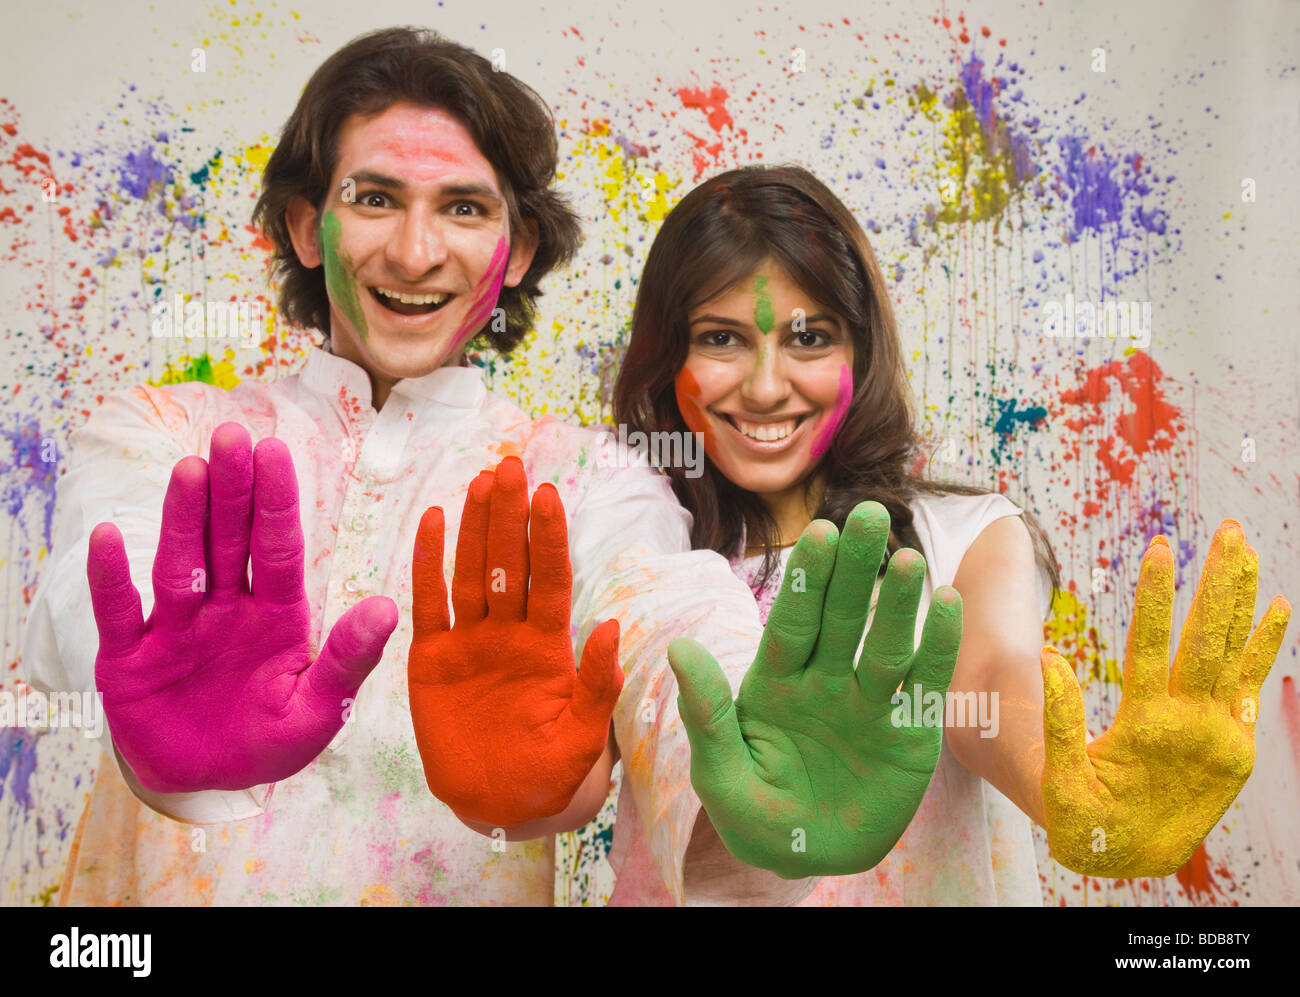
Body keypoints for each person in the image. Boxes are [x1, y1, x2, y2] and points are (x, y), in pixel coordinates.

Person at [21, 29, 951, 907]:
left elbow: (668, 618)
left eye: (464, 208)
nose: (416, 252)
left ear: (520, 252)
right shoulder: (163, 432)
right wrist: (155, 700)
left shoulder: (596, 481)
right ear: (308, 229)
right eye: (374, 198)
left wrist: (754, 767)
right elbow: (92, 588)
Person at [608, 164, 1291, 904]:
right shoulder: (637, 555)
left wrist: (1070, 788)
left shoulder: (962, 535)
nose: (767, 386)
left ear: (860, 352)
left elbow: (988, 684)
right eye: (722, 338)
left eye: (810, 337)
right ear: (668, 353)